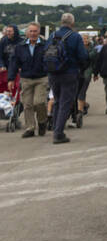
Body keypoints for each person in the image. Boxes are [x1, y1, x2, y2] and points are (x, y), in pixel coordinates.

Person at [45, 13, 88, 144]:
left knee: (57, 101)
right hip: (69, 73)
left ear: (61, 22)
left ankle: (56, 129)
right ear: (72, 23)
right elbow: (83, 56)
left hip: (53, 73)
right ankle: (58, 134)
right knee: (65, 103)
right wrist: (81, 69)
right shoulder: (75, 36)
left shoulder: (52, 36)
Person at [12, 23, 49, 137]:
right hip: (26, 79)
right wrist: (10, 79)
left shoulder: (45, 45)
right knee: (27, 104)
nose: (33, 34)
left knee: (39, 102)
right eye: (31, 31)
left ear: (39, 32)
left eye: (35, 31)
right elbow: (14, 63)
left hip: (41, 78)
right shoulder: (20, 47)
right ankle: (30, 128)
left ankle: (42, 122)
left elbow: (50, 61)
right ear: (27, 33)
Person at [74, 33, 97, 125]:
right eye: (83, 39)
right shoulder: (77, 48)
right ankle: (85, 105)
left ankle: (80, 110)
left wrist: (95, 74)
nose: (84, 40)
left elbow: (92, 59)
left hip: (87, 70)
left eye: (86, 38)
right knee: (77, 91)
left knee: (82, 91)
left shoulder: (93, 49)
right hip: (78, 70)